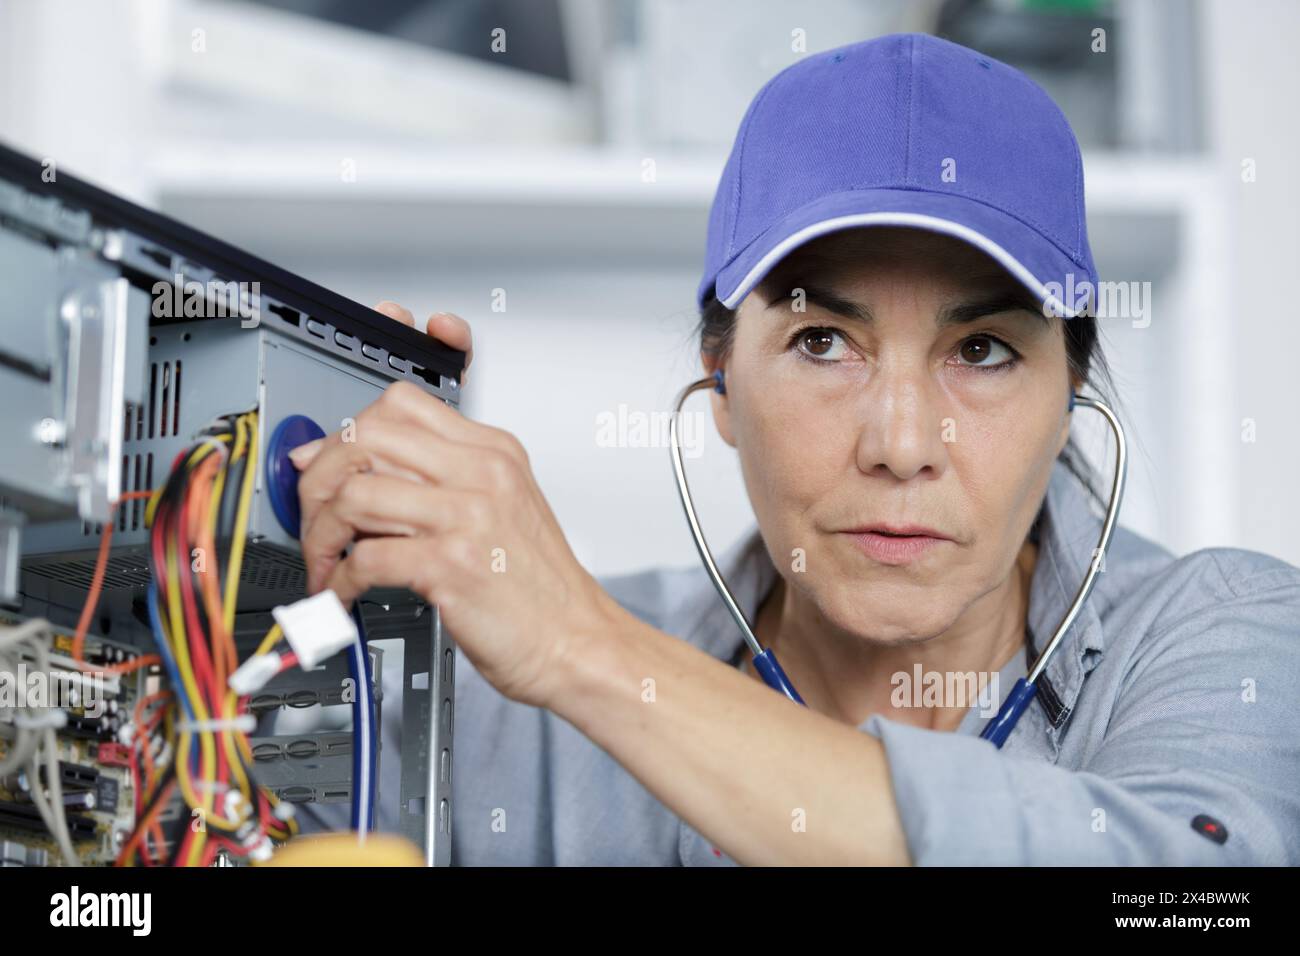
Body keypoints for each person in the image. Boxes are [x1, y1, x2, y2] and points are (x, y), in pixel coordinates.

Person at [288, 33, 1300, 865]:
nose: (903, 445)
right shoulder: (490, 701)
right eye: (823, 342)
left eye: (982, 351)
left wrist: (582, 649)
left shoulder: (1227, 634)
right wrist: (307, 597)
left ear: (1069, 396)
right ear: (720, 378)